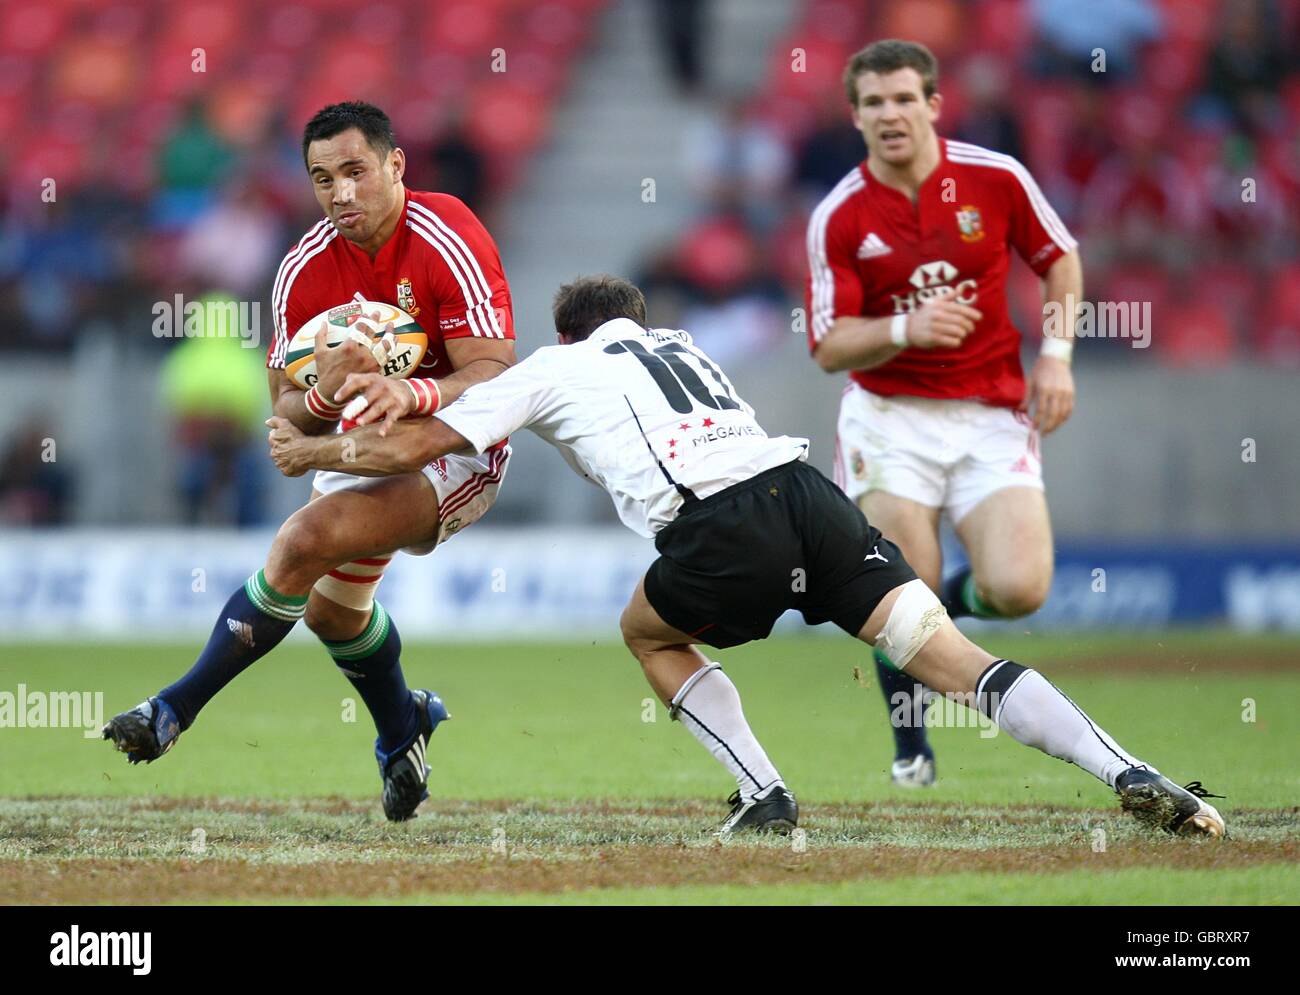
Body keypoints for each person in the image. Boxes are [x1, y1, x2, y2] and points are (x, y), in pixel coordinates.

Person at [267, 275, 1224, 840]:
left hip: (719, 525)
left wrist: (319, 445)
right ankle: (1130, 768)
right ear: (637, 317)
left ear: (570, 333)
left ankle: (764, 792)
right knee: (954, 661)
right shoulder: (682, 341)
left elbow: (421, 447)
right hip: (809, 498)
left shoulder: (552, 368)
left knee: (644, 629)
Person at [103, 102, 517, 823]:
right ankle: (403, 728)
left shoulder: (447, 234)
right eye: (324, 178)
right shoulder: (302, 268)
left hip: (454, 443)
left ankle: (172, 708)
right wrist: (324, 389)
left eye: (356, 171)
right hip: (358, 443)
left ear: (396, 165)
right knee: (329, 610)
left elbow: (493, 374)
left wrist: (404, 387)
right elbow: (285, 417)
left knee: (300, 541)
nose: (342, 193)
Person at [807, 40, 1083, 788]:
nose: (890, 114)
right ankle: (911, 747)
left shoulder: (997, 177)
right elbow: (830, 345)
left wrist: (1055, 355)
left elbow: (1058, 258)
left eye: (904, 98)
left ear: (932, 104)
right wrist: (906, 327)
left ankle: (940, 613)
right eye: (873, 103)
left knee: (1020, 588)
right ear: (856, 116)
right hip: (889, 419)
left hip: (991, 412)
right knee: (903, 590)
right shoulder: (839, 216)